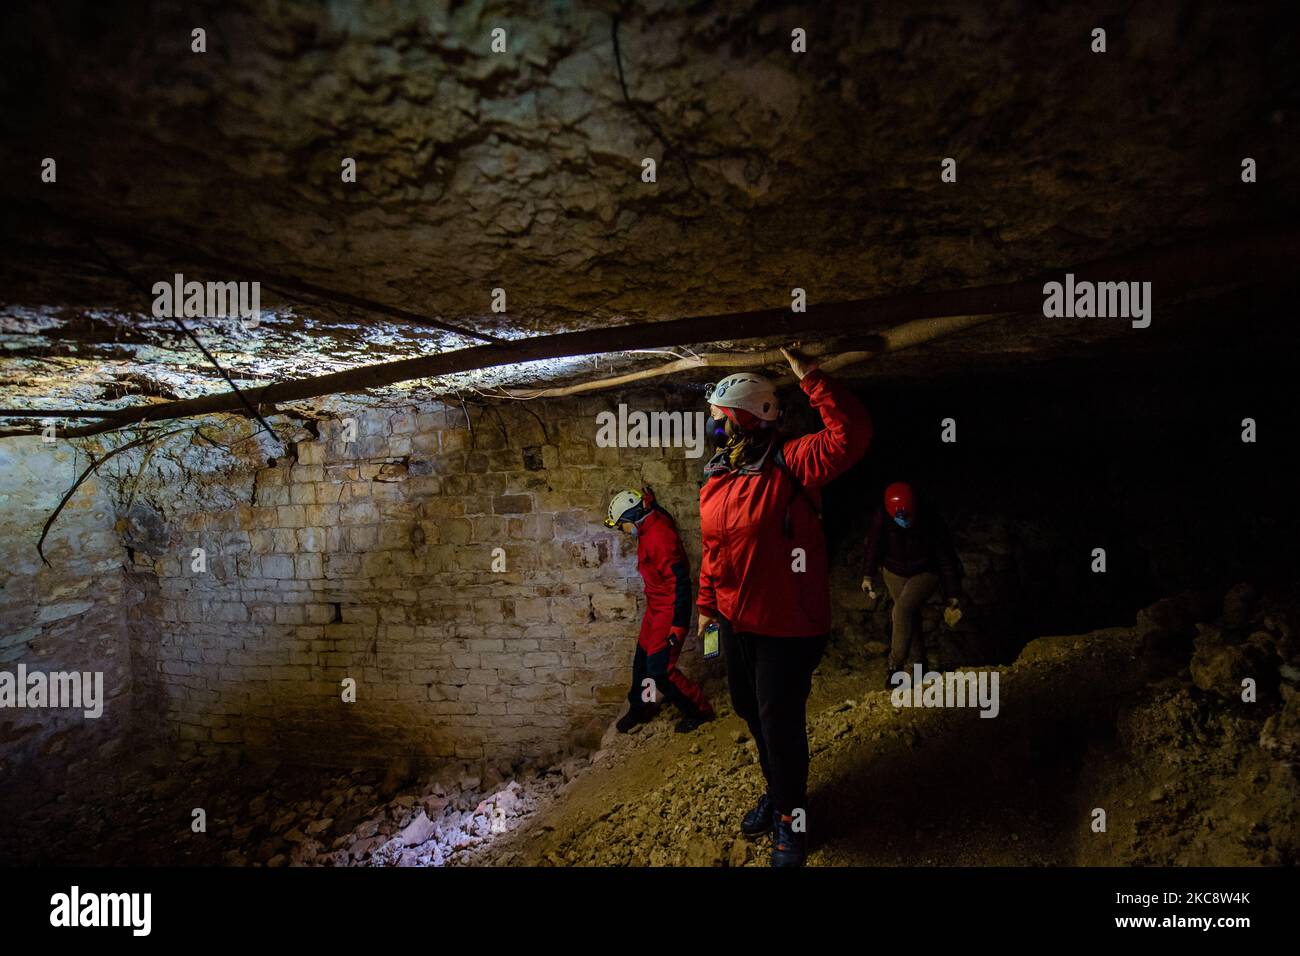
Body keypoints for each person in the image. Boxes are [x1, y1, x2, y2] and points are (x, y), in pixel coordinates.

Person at [697, 346, 871, 867]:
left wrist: (813, 380)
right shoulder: (718, 475)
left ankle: (792, 822)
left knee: (779, 721)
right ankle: (780, 793)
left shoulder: (792, 462)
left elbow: (850, 438)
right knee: (751, 710)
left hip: (787, 624)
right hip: (736, 620)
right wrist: (707, 604)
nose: (714, 430)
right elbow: (714, 549)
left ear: (745, 420)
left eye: (720, 421)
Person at [605, 487, 715, 734]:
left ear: (632, 518)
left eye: (621, 525)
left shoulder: (659, 538)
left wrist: (677, 624)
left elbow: (681, 583)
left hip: (668, 610)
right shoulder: (648, 521)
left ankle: (699, 711)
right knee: (642, 661)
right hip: (655, 608)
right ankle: (642, 707)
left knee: (660, 670)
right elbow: (655, 508)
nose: (622, 531)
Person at [861, 481, 963, 688]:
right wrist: (868, 575)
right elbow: (874, 546)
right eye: (900, 517)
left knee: (901, 610)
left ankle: (895, 668)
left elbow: (945, 556)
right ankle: (920, 669)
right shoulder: (882, 517)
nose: (905, 520)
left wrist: (953, 592)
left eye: (908, 516)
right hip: (893, 572)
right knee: (909, 617)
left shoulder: (930, 519)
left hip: (925, 573)